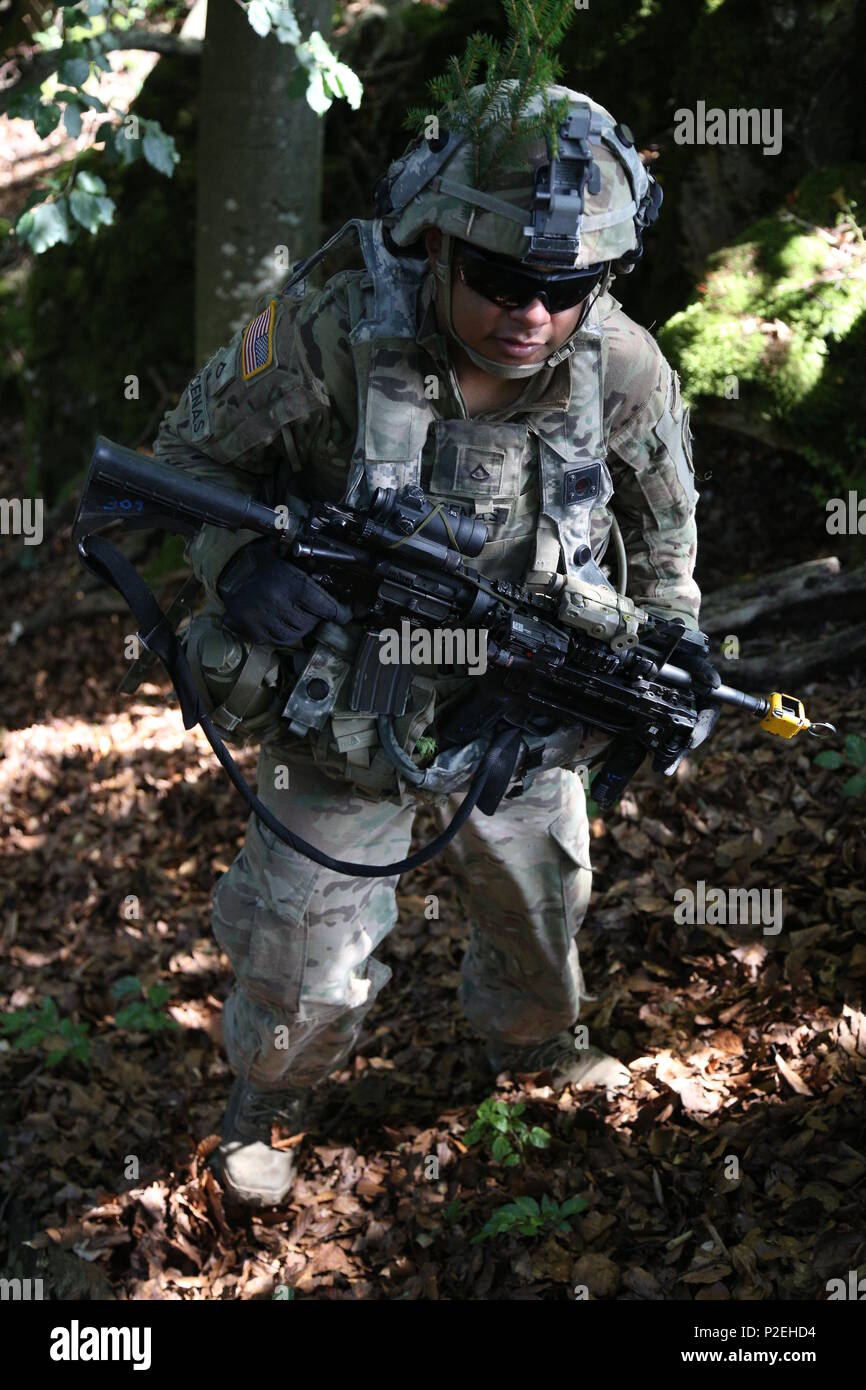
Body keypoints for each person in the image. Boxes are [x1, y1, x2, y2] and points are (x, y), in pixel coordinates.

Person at [153, 83, 704, 1206]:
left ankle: (535, 1049)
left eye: (566, 288)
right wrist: (240, 564)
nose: (533, 314)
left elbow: (665, 528)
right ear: (436, 244)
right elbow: (183, 465)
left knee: (541, 904)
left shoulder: (623, 366)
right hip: (344, 703)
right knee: (298, 947)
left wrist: (676, 635)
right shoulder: (325, 334)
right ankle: (272, 1101)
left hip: (522, 703)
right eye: (501, 281)